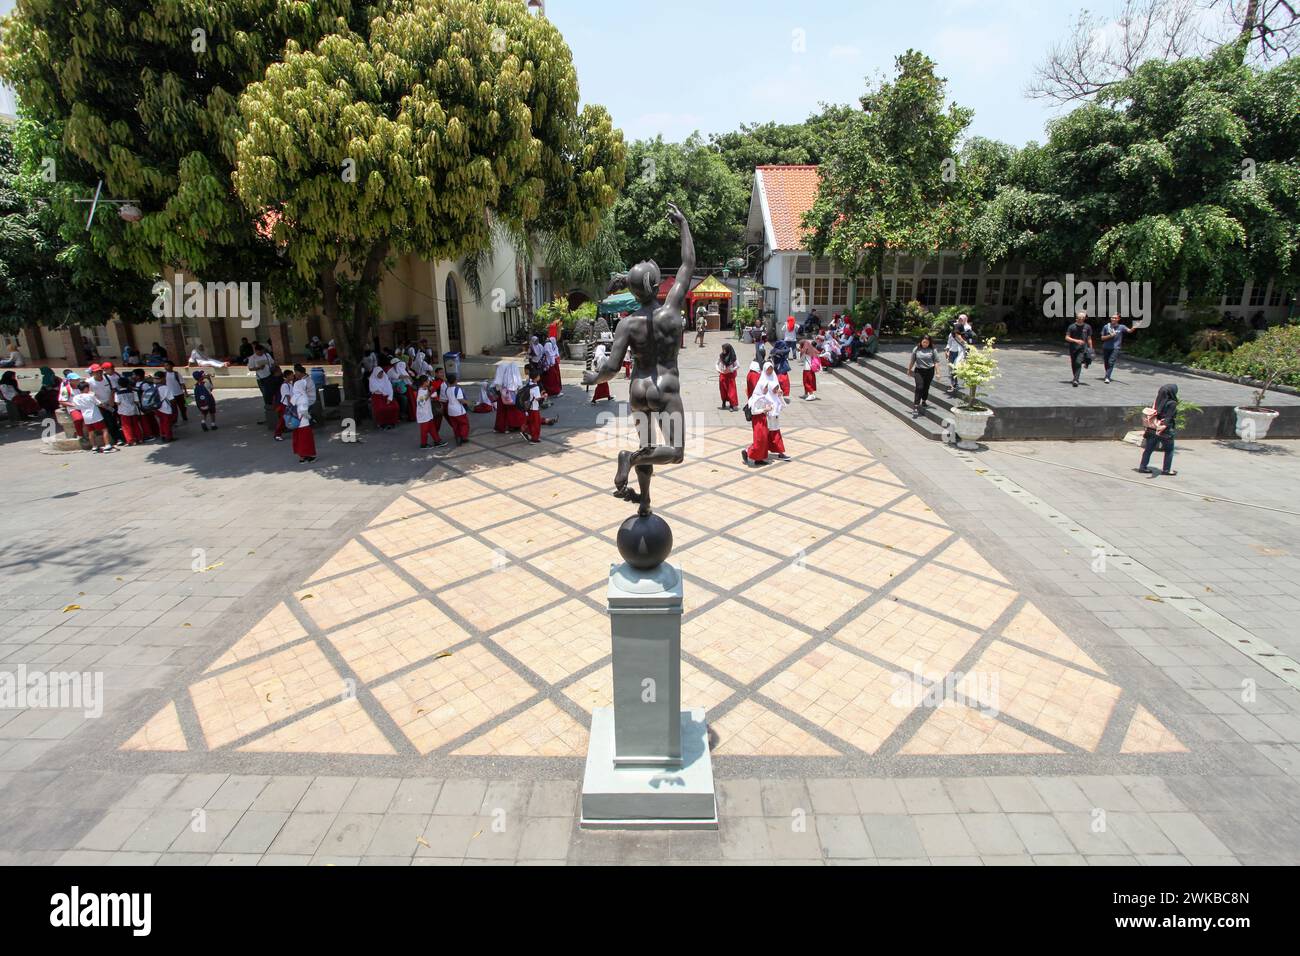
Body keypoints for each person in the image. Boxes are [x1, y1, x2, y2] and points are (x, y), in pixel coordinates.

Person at [1138, 384, 1179, 477]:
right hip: (1165, 430)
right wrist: (1163, 427)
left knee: (1148, 449)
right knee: (1169, 450)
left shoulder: (1157, 401)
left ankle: (1142, 467)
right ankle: (1166, 469)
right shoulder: (1172, 403)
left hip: (1152, 428)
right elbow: (1168, 417)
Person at [70, 380, 113, 452]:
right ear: (86, 388)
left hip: (86, 417)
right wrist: (110, 409)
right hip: (95, 415)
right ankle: (107, 445)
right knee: (104, 430)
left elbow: (76, 407)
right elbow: (99, 404)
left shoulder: (75, 398)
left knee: (91, 432)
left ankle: (94, 447)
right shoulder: (90, 395)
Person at [86, 364, 124, 446]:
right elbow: (90, 394)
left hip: (112, 402)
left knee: (117, 420)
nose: (99, 373)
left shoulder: (108, 378)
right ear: (92, 373)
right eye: (96, 372)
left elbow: (113, 389)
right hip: (101, 405)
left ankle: (124, 437)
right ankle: (117, 439)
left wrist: (111, 400)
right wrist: (100, 404)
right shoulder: (89, 382)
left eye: (100, 371)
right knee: (109, 422)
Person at [907, 334, 939, 419]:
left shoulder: (933, 350)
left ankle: (924, 400)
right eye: (924, 342)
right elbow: (912, 360)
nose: (925, 344)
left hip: (929, 371)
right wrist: (909, 369)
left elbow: (936, 362)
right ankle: (916, 406)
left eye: (927, 343)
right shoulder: (916, 349)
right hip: (919, 371)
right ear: (921, 341)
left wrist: (938, 372)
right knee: (919, 387)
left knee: (926, 387)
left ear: (930, 343)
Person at [290, 371, 317, 463]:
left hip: (295, 422)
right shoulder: (303, 397)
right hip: (303, 423)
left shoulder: (294, 397)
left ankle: (301, 457)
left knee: (299, 440)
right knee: (306, 440)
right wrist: (310, 418)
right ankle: (308, 456)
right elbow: (303, 411)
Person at [1100, 313, 1132, 384]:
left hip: (1115, 348)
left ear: (1118, 319)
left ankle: (1107, 377)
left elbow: (1129, 331)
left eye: (1115, 318)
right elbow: (1102, 338)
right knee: (1106, 362)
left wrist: (1135, 327)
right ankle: (1107, 374)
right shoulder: (1106, 326)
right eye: (1112, 317)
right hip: (1106, 347)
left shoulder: (1122, 327)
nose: (1113, 319)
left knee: (1111, 362)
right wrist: (1110, 336)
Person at [415, 376, 446, 448]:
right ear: (424, 383)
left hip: (428, 413)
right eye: (428, 381)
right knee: (424, 431)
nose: (429, 382)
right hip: (423, 414)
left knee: (432, 429)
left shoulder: (425, 389)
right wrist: (429, 393)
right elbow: (420, 402)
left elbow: (431, 397)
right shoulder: (421, 391)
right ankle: (423, 444)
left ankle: (437, 441)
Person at [1065, 311, 1094, 387]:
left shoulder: (1087, 327)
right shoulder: (1071, 326)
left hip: (1082, 348)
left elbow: (1089, 338)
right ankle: (1075, 377)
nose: (1080, 319)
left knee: (1078, 362)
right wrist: (1076, 340)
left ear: (1084, 318)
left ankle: (1076, 380)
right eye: (1079, 318)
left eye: (1082, 318)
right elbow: (1067, 337)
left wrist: (1091, 348)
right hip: (1073, 348)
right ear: (1076, 318)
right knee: (1073, 364)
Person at [112, 373, 142, 445]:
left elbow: (117, 403)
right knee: (135, 425)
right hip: (133, 410)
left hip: (124, 411)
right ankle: (139, 438)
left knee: (126, 426)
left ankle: (130, 440)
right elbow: (137, 401)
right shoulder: (133, 392)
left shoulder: (117, 393)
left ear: (119, 384)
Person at [492, 363, 522, 433]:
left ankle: (502, 427)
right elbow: (518, 383)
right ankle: (513, 426)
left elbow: (498, 382)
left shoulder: (501, 368)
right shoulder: (513, 368)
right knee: (512, 411)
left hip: (502, 393)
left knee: (501, 411)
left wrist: (499, 391)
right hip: (512, 393)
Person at [368, 365, 399, 430]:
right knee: (381, 409)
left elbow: (390, 389)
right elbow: (374, 389)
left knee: (395, 406)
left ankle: (391, 422)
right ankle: (382, 423)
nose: (381, 375)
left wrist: (389, 398)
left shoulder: (385, 378)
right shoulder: (372, 379)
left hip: (387, 396)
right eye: (379, 373)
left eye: (382, 373)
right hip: (377, 396)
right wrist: (384, 390)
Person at [443, 373, 470, 445]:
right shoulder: (457, 389)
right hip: (459, 411)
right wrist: (467, 402)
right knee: (464, 424)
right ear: (455, 381)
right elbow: (460, 400)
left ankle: (457, 437)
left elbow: (446, 399)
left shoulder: (447, 389)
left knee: (455, 425)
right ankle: (463, 437)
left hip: (450, 411)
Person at [247, 343, 276, 408]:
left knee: (271, 390)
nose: (261, 353)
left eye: (262, 351)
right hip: (261, 377)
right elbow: (250, 368)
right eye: (260, 352)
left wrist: (273, 367)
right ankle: (268, 404)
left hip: (269, 375)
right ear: (256, 351)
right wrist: (259, 368)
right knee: (265, 392)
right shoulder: (252, 358)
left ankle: (272, 403)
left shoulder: (267, 355)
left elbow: (272, 362)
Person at [153, 371, 179, 441]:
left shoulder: (154, 386)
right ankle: (168, 437)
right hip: (166, 408)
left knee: (161, 422)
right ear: (163, 378)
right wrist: (174, 408)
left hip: (157, 408)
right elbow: (171, 399)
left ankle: (163, 435)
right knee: (167, 423)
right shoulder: (165, 388)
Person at [523, 367, 544, 444]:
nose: (539, 377)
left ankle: (527, 432)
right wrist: (543, 396)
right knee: (536, 423)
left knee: (531, 422)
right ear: (536, 378)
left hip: (529, 407)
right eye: (538, 376)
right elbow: (537, 398)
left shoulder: (529, 384)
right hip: (534, 407)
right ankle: (534, 439)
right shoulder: (536, 387)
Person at [717, 343, 739, 411]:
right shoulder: (721, 356)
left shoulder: (733, 357)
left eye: (724, 349)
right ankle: (723, 402)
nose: (723, 350)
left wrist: (731, 369)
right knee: (723, 390)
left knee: (731, 391)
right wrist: (719, 370)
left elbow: (738, 365)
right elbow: (716, 363)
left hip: (730, 376)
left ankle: (731, 405)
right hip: (723, 375)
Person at [273, 370, 294, 442]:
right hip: (285, 405)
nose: (293, 376)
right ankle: (277, 434)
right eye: (291, 375)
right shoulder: (285, 385)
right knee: (282, 420)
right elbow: (287, 396)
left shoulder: (290, 384)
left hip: (288, 405)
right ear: (287, 376)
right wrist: (290, 405)